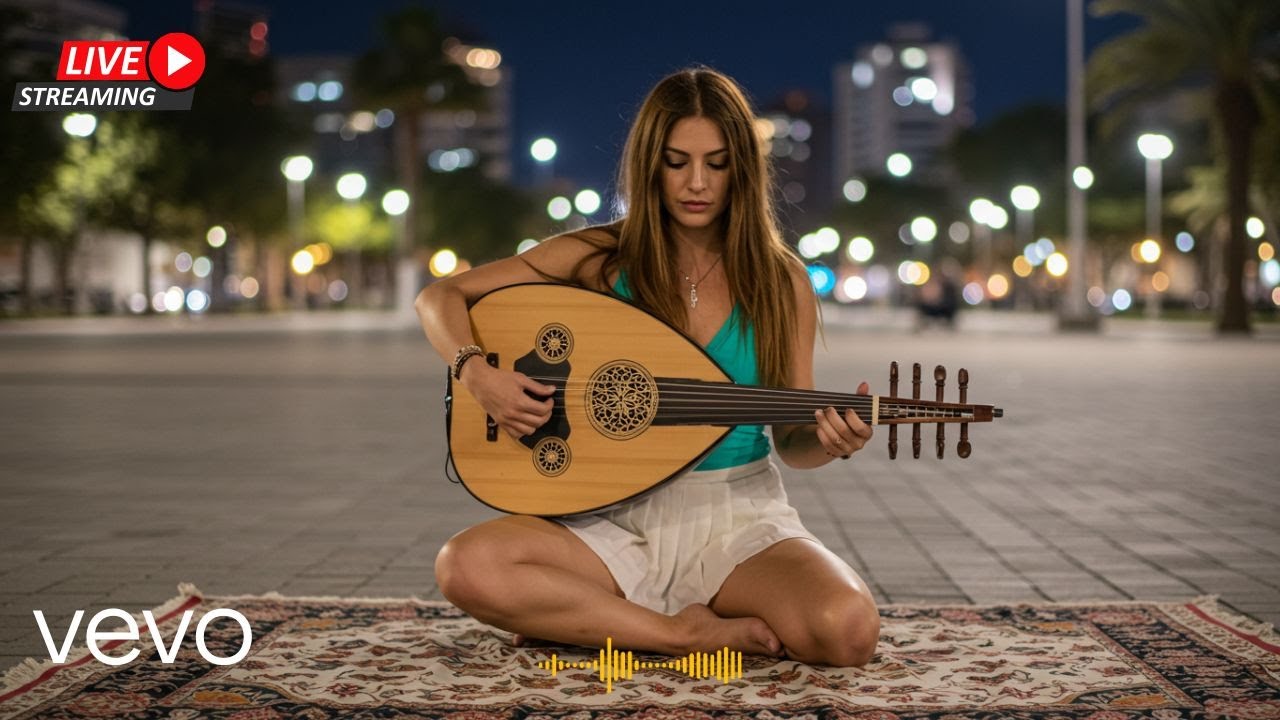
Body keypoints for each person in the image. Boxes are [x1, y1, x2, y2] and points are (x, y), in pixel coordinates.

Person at [414, 67, 879, 667]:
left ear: (743, 167)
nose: (696, 183)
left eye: (716, 163)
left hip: (736, 516)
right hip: (608, 516)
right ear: (647, 164)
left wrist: (833, 439)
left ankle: (601, 622)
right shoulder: (597, 257)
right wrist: (478, 373)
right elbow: (440, 297)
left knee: (847, 631)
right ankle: (681, 635)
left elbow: (793, 441)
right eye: (676, 161)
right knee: (466, 566)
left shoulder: (778, 278)